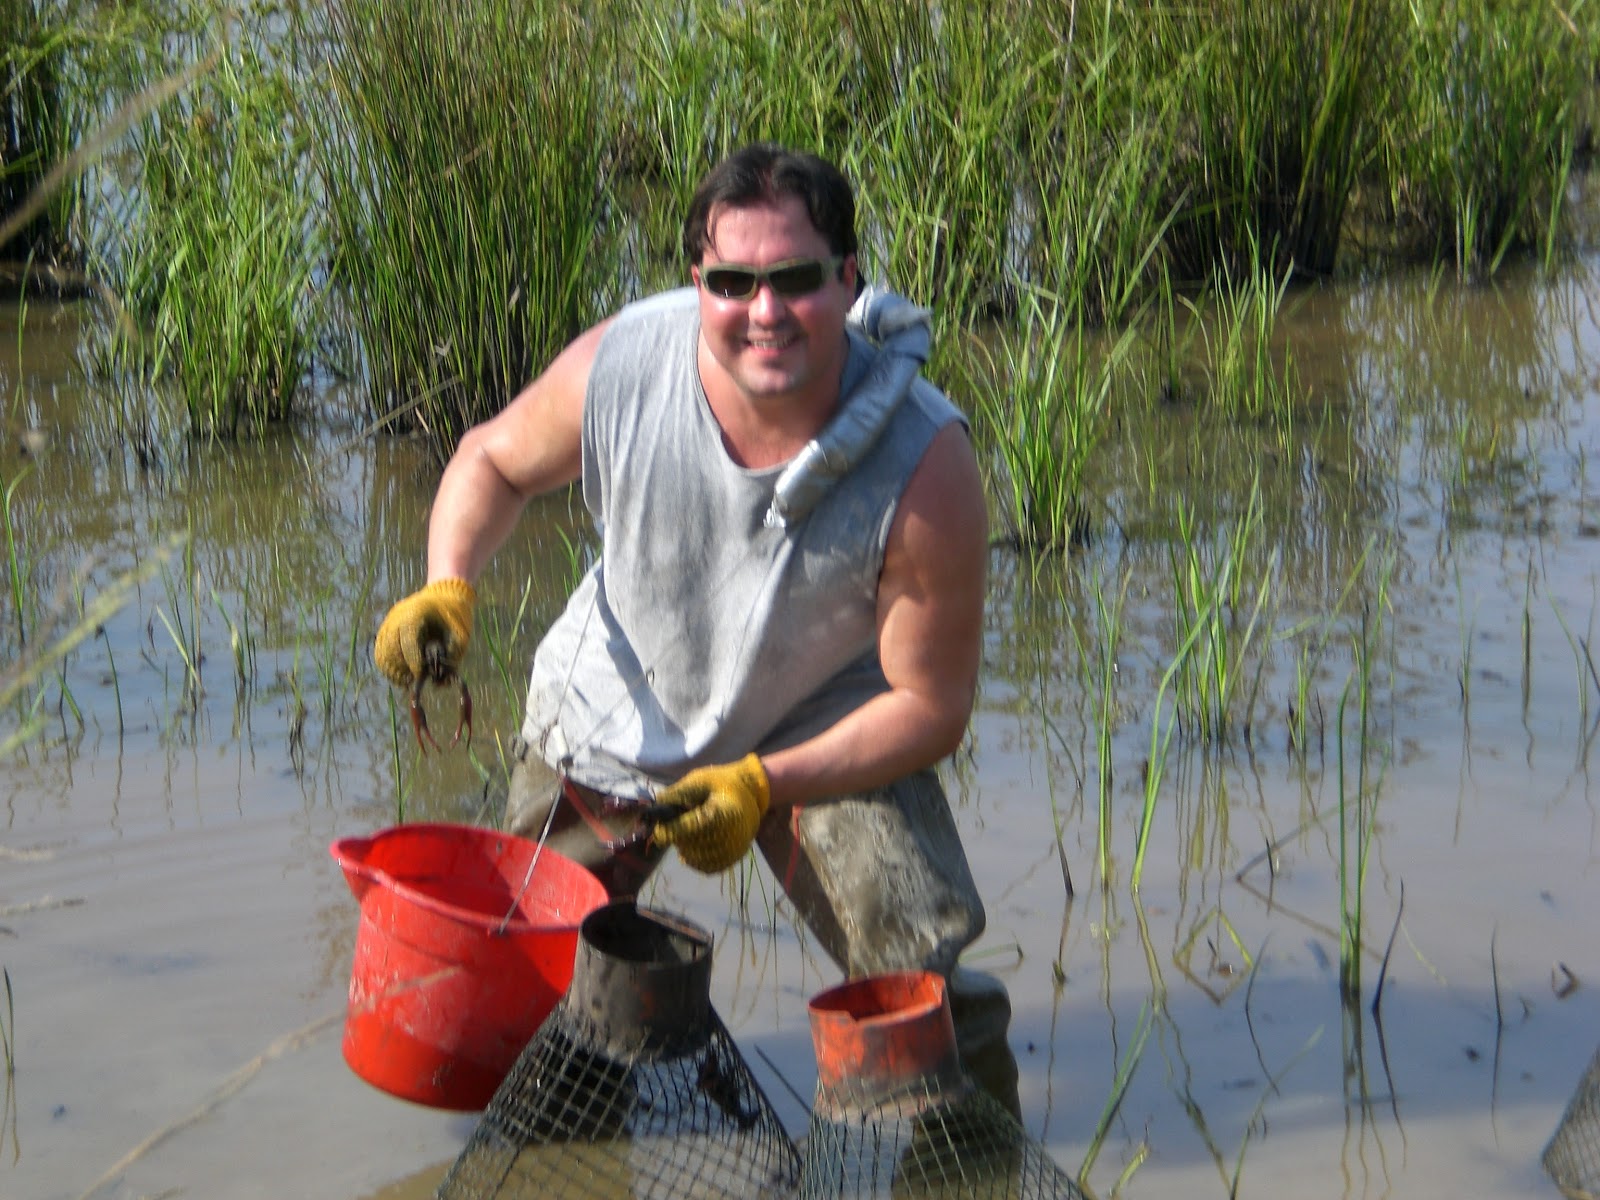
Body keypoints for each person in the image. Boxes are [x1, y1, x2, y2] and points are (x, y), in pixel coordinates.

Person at [374, 142, 1013, 1101]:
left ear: (847, 282)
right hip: (617, 702)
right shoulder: (626, 364)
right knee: (545, 989)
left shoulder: (926, 462)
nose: (765, 311)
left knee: (915, 964)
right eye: (734, 281)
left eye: (796, 279)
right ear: (697, 283)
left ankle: (965, 1143)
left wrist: (764, 781)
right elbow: (490, 462)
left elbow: (930, 706)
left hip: (818, 723)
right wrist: (446, 584)